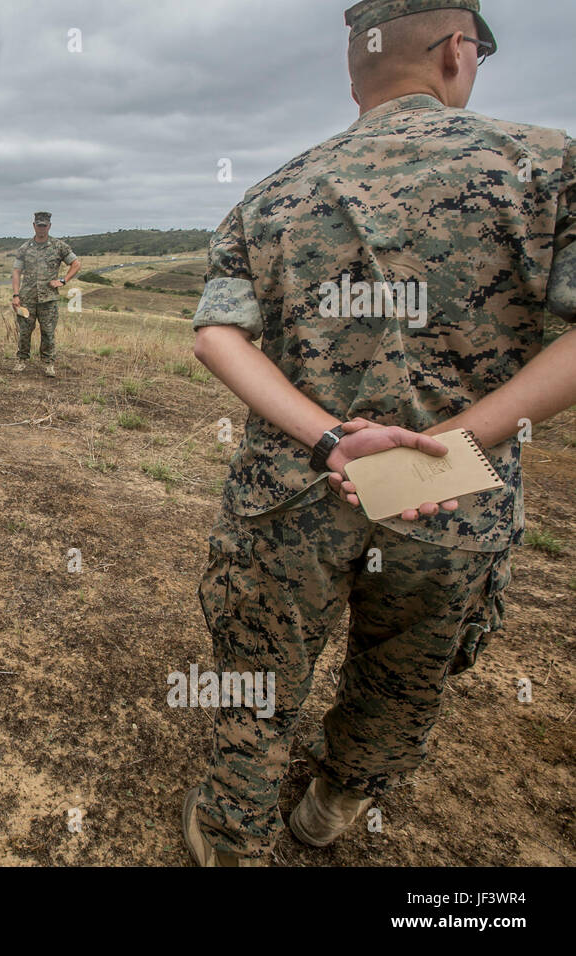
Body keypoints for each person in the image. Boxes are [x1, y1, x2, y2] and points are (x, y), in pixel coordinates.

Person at [183, 0, 574, 866]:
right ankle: (332, 801)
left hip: (294, 492)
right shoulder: (548, 166)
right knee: (404, 671)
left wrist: (331, 438)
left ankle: (231, 835)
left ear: (355, 70)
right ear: (454, 51)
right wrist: (440, 450)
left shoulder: (275, 190)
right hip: (452, 498)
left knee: (257, 672)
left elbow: (217, 335)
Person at [11, 212, 80, 377]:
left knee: (48, 332)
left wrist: (63, 281)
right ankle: (21, 360)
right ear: (33, 226)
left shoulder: (59, 246)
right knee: (25, 331)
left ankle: (48, 364)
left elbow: (76, 264)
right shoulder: (25, 248)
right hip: (27, 298)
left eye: (44, 225)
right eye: (38, 225)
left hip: (48, 299)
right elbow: (16, 271)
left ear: (49, 226)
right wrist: (15, 295)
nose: (41, 228)